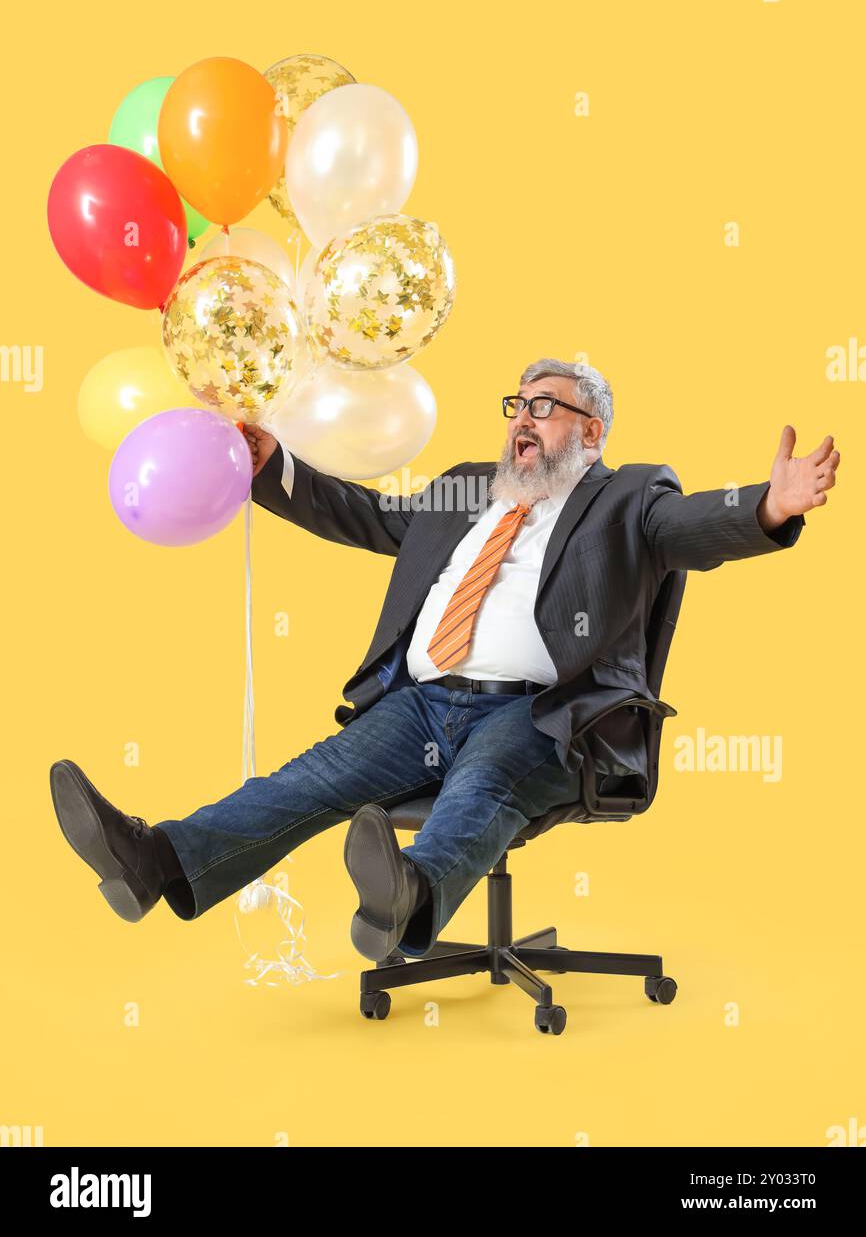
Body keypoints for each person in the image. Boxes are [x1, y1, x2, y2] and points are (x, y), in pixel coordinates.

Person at [49, 359, 839, 962]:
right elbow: (369, 516)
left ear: (591, 431)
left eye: (544, 406)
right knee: (310, 779)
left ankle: (408, 898)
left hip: (542, 713)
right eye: (516, 405)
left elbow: (695, 527)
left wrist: (768, 506)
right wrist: (272, 465)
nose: (521, 420)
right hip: (422, 704)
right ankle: (156, 860)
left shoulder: (629, 498)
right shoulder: (468, 488)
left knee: (487, 778)